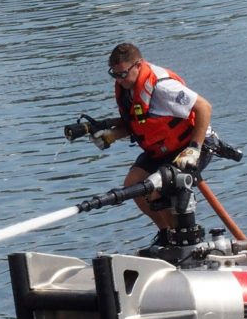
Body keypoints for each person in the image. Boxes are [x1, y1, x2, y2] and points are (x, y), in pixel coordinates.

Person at [89, 42, 211, 231]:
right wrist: (111, 136)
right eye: (114, 75)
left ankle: (181, 240)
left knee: (154, 188)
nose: (119, 80)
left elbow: (204, 107)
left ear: (138, 65)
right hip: (162, 149)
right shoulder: (128, 89)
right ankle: (166, 234)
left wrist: (194, 149)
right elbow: (139, 123)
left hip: (192, 145)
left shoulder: (163, 87)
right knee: (132, 186)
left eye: (123, 74)